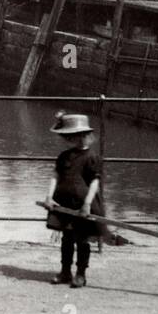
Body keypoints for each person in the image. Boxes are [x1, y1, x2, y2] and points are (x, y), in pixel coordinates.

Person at [41, 112, 105, 288]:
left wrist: (87, 204)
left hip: (83, 205)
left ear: (84, 136)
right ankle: (65, 272)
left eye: (74, 136)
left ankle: (81, 274)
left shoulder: (92, 157)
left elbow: (94, 182)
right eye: (68, 137)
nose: (70, 140)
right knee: (67, 239)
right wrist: (49, 196)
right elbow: (55, 175)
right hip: (64, 203)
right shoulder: (64, 156)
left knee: (82, 240)